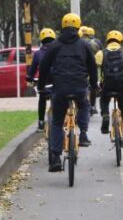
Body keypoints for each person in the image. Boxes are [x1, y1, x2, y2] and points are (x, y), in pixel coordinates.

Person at [38, 13, 98, 173]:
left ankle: (56, 158)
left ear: (62, 26)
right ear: (78, 26)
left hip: (60, 88)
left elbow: (44, 66)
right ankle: (83, 134)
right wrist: (93, 85)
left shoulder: (55, 45)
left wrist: (41, 86)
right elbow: (92, 67)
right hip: (79, 87)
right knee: (85, 106)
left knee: (57, 122)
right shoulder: (85, 45)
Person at [26, 28, 57, 132]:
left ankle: (41, 122)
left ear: (42, 40)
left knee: (42, 99)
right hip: (58, 82)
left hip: (44, 83)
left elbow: (32, 70)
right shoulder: (58, 51)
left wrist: (30, 78)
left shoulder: (38, 54)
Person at [79, 26, 103, 115]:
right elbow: (102, 53)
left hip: (81, 67)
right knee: (93, 85)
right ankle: (92, 106)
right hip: (93, 66)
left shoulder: (78, 42)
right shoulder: (96, 42)